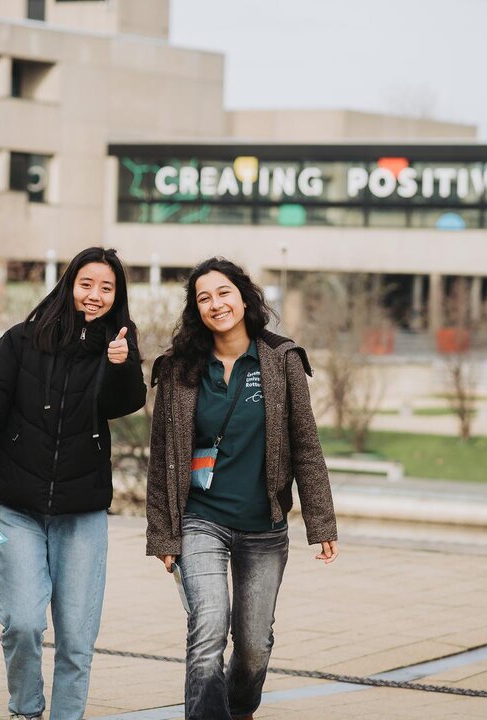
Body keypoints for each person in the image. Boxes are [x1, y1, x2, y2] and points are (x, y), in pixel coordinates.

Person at [0, 247, 147, 720]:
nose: (94, 295)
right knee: (23, 623)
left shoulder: (116, 346)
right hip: (19, 508)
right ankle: (26, 709)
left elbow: (125, 403)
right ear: (69, 285)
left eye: (106, 288)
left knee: (76, 639)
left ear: (116, 297)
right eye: (86, 284)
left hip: (83, 515)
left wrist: (122, 362)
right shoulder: (21, 342)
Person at [145, 257, 338, 720]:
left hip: (263, 525)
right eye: (204, 298)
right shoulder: (179, 368)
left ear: (244, 296)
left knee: (254, 645)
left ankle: (241, 708)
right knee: (208, 629)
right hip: (201, 520)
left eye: (224, 292)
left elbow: (305, 446)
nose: (216, 304)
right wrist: (163, 534)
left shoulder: (280, 359)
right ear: (196, 310)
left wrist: (321, 521)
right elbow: (162, 457)